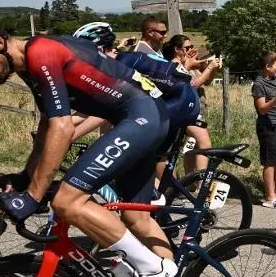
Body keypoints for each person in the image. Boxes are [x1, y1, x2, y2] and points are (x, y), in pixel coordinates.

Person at [0, 7, 176, 277]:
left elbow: (63, 128)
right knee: (135, 216)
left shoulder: (42, 52)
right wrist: (25, 178)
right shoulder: (29, 65)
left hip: (141, 116)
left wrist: (34, 195)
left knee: (67, 201)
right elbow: (47, 130)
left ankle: (151, 269)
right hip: (142, 116)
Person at [72, 22, 200, 200]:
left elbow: (102, 115)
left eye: (80, 51)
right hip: (173, 99)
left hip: (180, 101)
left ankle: (154, 200)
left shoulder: (116, 67)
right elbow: (87, 113)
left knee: (129, 153)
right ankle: (152, 202)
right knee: (135, 156)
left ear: (97, 48)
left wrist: (70, 136)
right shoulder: (113, 63)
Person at [162, 35, 221, 174]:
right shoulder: (176, 65)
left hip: (197, 108)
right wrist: (208, 68)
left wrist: (212, 69)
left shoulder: (190, 63)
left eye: (191, 46)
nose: (191, 49)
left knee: (191, 146)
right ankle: (201, 183)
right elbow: (192, 85)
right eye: (187, 47)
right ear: (177, 49)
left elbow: (206, 81)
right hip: (186, 111)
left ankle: (189, 182)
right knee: (204, 143)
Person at [252, 52, 276, 209]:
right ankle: (270, 196)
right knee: (270, 162)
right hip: (267, 126)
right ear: (267, 67)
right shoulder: (259, 84)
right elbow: (261, 109)